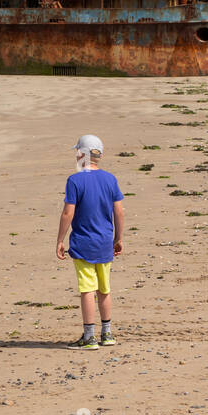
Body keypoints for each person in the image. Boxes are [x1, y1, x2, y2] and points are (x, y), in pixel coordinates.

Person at [56, 134, 125, 350]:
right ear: (100, 155)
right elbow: (119, 211)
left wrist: (60, 239)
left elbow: (68, 212)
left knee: (87, 289)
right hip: (105, 242)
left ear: (81, 154)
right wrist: (118, 238)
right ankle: (107, 333)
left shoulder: (75, 180)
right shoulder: (109, 179)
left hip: (83, 243)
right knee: (104, 289)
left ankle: (89, 337)